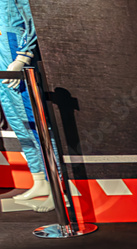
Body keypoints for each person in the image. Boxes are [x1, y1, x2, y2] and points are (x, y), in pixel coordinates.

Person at [0, 0, 52, 211]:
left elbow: (33, 18)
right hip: (3, 50)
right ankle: (39, 179)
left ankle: (57, 185)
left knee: (32, 121)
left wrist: (23, 55)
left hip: (14, 47)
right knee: (16, 120)